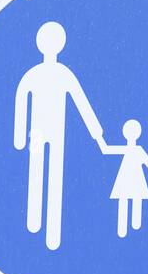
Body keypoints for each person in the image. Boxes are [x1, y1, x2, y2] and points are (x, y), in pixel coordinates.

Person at [13, 21, 108, 251]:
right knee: (45, 173)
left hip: (52, 132)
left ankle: (46, 230)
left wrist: (96, 130)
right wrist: (19, 136)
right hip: (41, 132)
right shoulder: (42, 74)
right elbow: (22, 100)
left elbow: (80, 102)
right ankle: (39, 226)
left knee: (48, 173)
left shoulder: (49, 74)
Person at [99, 119, 148, 238]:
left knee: (134, 199)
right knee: (125, 198)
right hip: (126, 177)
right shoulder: (132, 149)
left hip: (135, 178)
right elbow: (106, 150)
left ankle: (135, 227)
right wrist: (100, 139)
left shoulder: (138, 150)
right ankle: (124, 229)